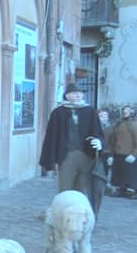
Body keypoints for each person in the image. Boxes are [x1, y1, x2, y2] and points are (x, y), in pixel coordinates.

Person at [39, 82, 105, 216]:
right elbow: (51, 136)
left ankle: (80, 215)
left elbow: (97, 130)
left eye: (80, 93)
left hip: (86, 154)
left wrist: (99, 141)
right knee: (65, 188)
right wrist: (51, 158)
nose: (78, 95)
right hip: (66, 155)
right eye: (75, 93)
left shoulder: (90, 111)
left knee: (83, 188)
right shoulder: (58, 112)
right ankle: (61, 214)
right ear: (67, 95)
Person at [108, 105, 137, 198]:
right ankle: (121, 189)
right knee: (120, 173)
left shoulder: (134, 124)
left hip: (129, 154)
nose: (125, 112)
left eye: (127, 110)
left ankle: (132, 191)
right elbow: (113, 140)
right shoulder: (118, 124)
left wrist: (134, 154)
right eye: (124, 110)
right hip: (118, 153)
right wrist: (111, 155)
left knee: (131, 175)